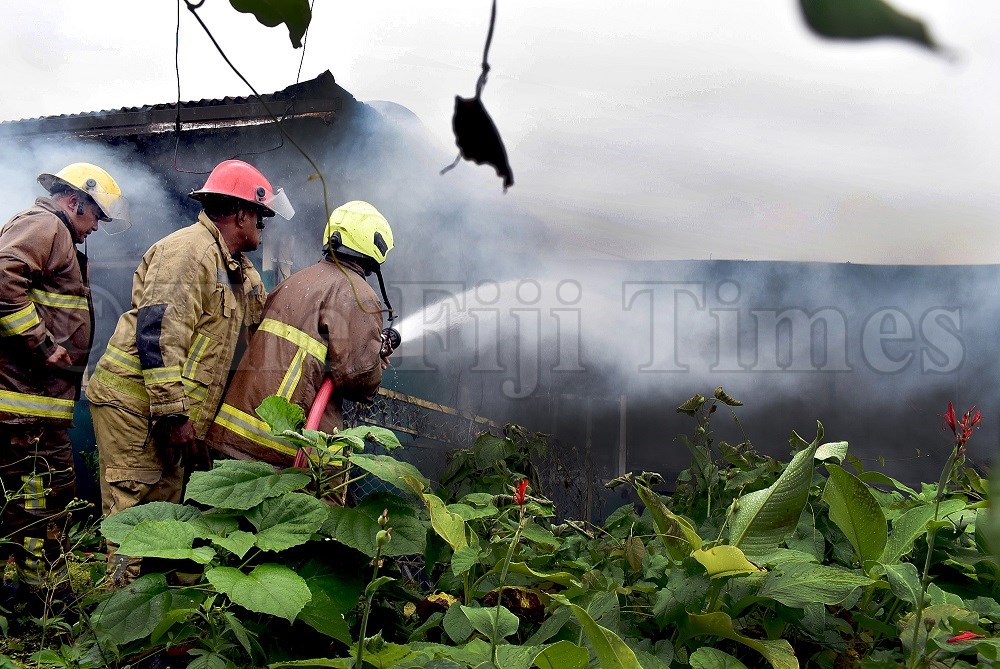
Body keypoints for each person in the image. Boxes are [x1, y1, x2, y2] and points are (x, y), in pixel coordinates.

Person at [86, 159, 294, 586]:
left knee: (166, 514)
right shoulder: (190, 250)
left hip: (169, 412)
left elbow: (263, 330)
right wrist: (174, 417)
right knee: (134, 512)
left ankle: (153, 620)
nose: (264, 226)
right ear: (240, 214)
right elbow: (158, 333)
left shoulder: (240, 272)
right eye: (262, 216)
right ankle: (114, 627)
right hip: (133, 403)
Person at [206, 201, 396, 503]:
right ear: (375, 246)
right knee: (307, 536)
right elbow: (356, 375)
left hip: (237, 434)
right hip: (287, 449)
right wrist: (374, 363)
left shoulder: (296, 281)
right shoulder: (358, 294)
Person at [0, 163, 129, 597]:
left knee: (29, 501)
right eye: (96, 216)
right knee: (46, 499)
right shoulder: (46, 226)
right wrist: (42, 344)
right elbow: (2, 279)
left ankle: (32, 592)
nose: (96, 226)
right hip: (23, 409)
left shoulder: (52, 233)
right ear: (75, 201)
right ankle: (44, 598)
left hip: (33, 410)